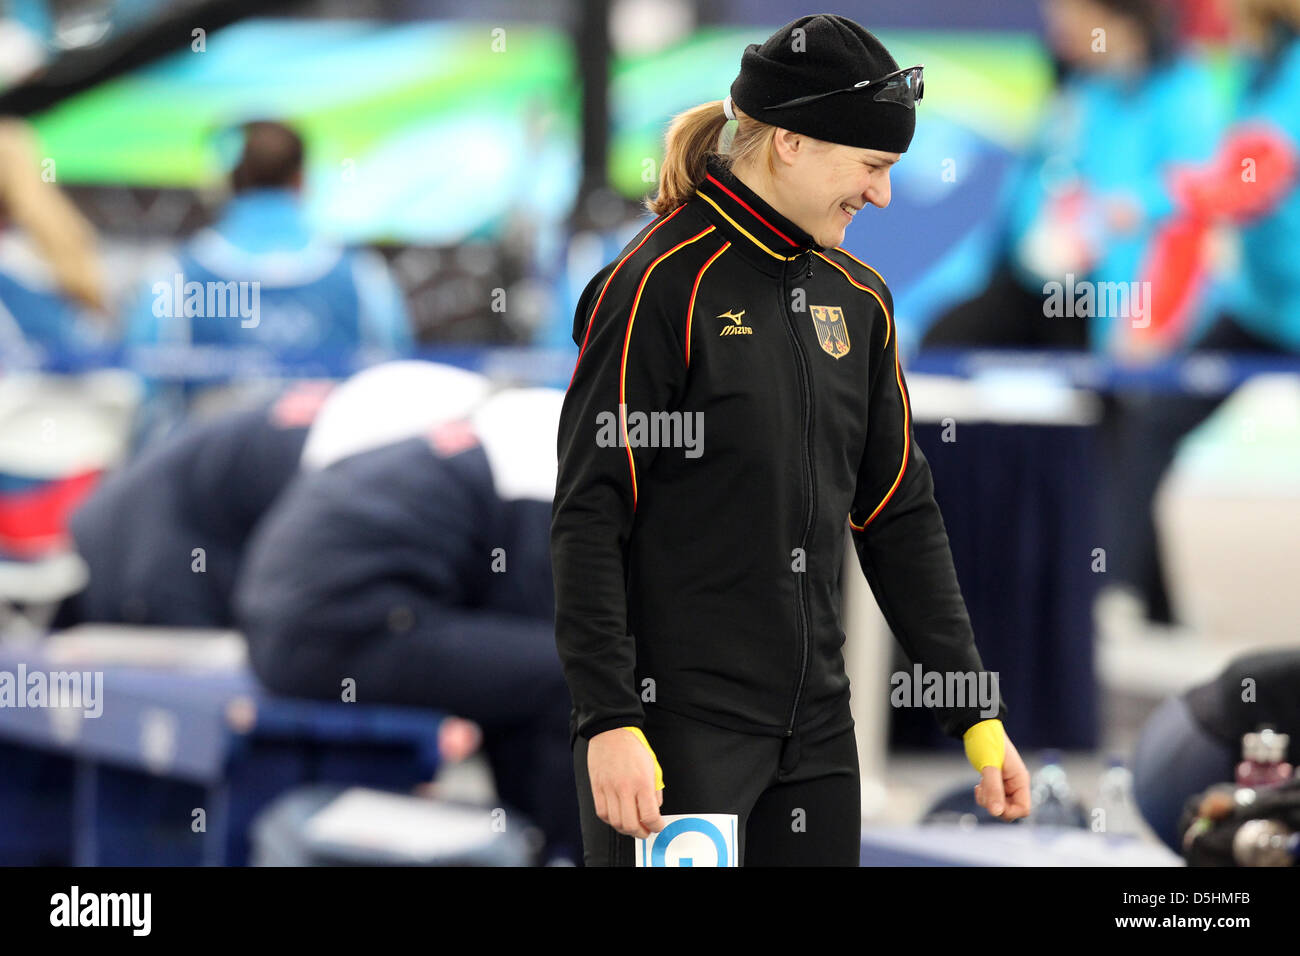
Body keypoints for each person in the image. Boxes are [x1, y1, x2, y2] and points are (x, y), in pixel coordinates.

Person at [551, 14, 1031, 868]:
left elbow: (897, 514)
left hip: (814, 740)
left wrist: (975, 710)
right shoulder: (655, 286)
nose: (881, 195)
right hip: (679, 739)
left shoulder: (860, 299)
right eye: (873, 167)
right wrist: (610, 720)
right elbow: (589, 516)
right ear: (791, 144)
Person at [235, 387, 581, 864]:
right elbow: (540, 623)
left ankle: (527, 838)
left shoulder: (490, 442)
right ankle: (567, 851)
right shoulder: (549, 466)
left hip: (283, 630)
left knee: (527, 668)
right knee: (571, 675)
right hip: (342, 634)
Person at [1100, 0, 1300, 627]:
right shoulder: (1252, 67)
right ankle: (1127, 594)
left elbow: (1248, 182)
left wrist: (1160, 197)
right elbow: (1217, 196)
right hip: (1264, 309)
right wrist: (1150, 320)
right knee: (1154, 422)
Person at [920, 0, 1225, 352]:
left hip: (1110, 295)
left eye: (1071, 15)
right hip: (1038, 279)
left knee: (1097, 389)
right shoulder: (1081, 88)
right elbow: (1040, 181)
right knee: (945, 343)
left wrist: (1129, 208)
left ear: (1116, 17)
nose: (1060, 28)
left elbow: (1196, 188)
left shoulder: (1183, 88)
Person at [123, 120, 413, 443]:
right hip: (327, 482)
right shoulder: (362, 278)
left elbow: (145, 404)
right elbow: (394, 389)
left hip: (211, 483)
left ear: (227, 182)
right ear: (301, 180)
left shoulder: (173, 279)